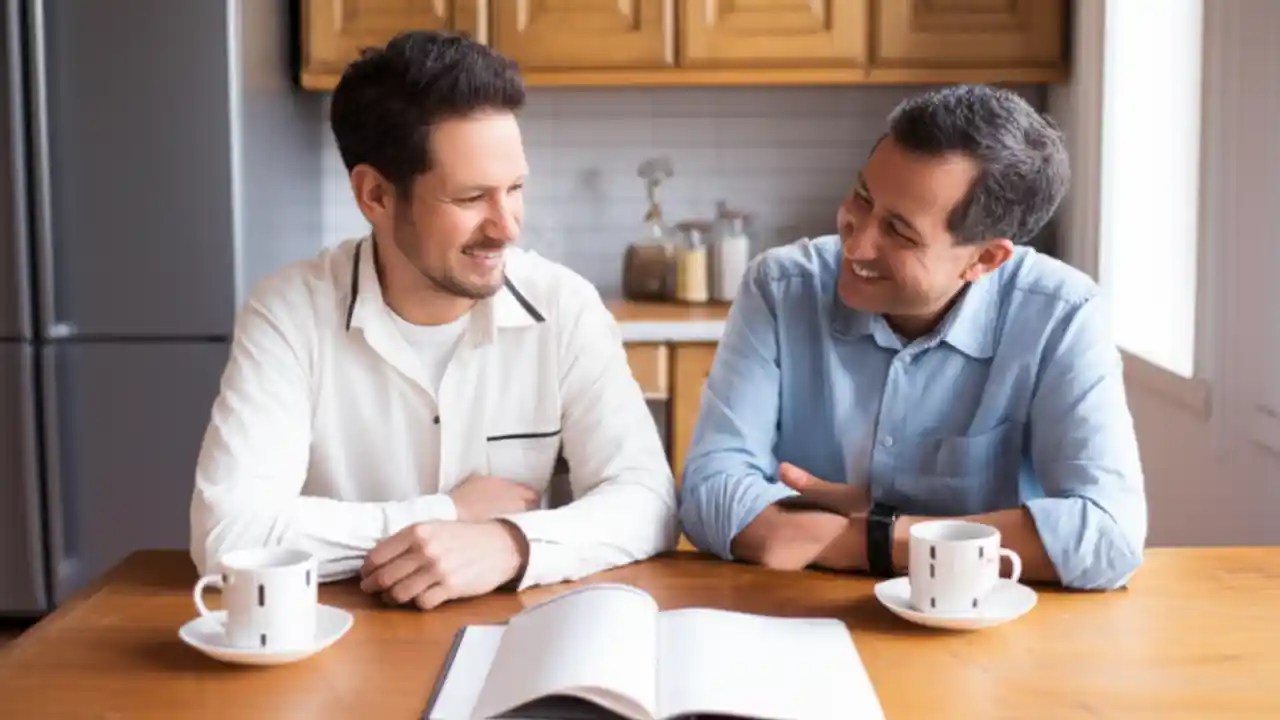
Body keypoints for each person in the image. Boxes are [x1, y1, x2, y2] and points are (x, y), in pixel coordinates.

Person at [189, 31, 676, 609]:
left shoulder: (565, 307)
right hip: (339, 640)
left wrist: (510, 544)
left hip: (514, 633)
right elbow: (228, 535)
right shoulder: (289, 313)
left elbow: (648, 501)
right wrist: (445, 514)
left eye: (515, 189)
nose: (507, 226)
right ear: (375, 195)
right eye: (470, 198)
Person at [679, 85, 1146, 591]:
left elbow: (1108, 535)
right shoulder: (780, 287)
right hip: (801, 610)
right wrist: (950, 537)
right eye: (863, 197)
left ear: (984, 259)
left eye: (899, 232)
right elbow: (709, 493)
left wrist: (872, 536)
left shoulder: (1062, 315)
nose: (856, 244)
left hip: (982, 619)